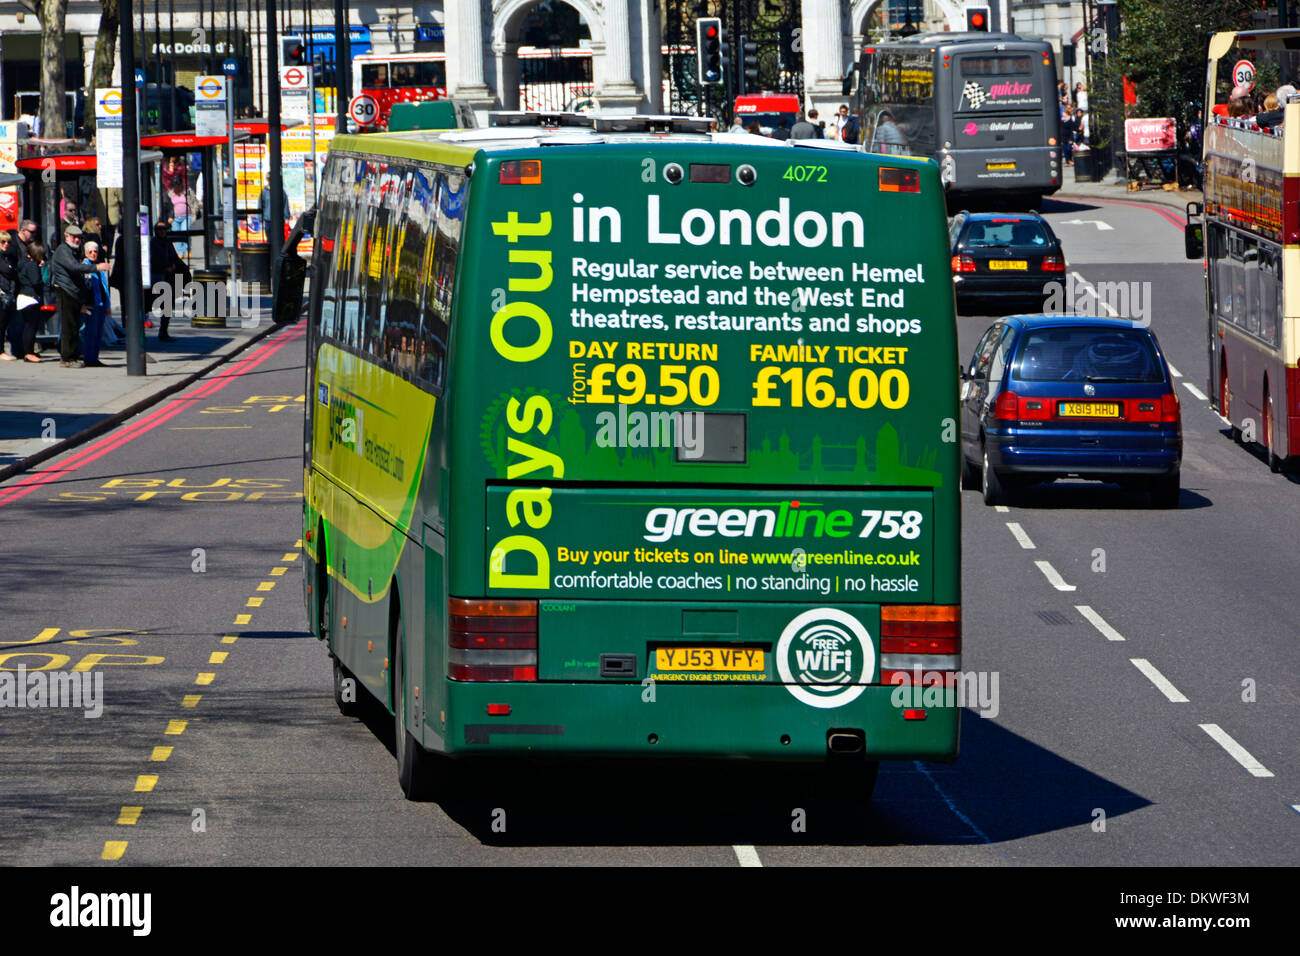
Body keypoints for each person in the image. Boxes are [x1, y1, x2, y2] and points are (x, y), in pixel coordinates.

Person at [49, 225, 108, 367]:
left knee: (74, 326)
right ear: (66, 235)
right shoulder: (63, 250)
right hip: (65, 291)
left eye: (78, 237)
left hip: (73, 292)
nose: (76, 240)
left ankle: (73, 357)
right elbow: (75, 267)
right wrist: (96, 267)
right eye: (73, 236)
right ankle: (67, 359)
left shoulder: (73, 250)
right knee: (69, 326)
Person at [149, 220, 189, 343]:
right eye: (160, 229)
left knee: (167, 306)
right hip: (156, 277)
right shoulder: (152, 243)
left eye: (164, 228)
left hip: (168, 278)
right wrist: (164, 267)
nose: (162, 231)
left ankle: (163, 331)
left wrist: (176, 267)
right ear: (155, 231)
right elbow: (152, 260)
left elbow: (175, 258)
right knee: (153, 304)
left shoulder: (168, 243)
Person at [14, 242, 46, 362]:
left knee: (28, 326)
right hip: (30, 297)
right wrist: (43, 279)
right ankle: (28, 352)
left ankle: (29, 351)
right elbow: (36, 282)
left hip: (23, 297)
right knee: (31, 327)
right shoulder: (32, 266)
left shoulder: (23, 263)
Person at [81, 241, 110, 366]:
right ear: (86, 253)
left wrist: (107, 305)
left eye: (95, 251)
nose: (93, 254)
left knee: (98, 333)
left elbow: (104, 286)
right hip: (90, 304)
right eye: (90, 252)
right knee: (90, 333)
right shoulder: (85, 266)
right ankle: (89, 357)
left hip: (100, 303)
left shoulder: (99, 266)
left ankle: (94, 357)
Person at [0, 233, 16, 360]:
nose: (6, 244)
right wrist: (13, 270)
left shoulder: (9, 256)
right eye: (3, 242)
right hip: (2, 293)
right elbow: (7, 270)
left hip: (8, 292)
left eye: (8, 242)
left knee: (4, 323)